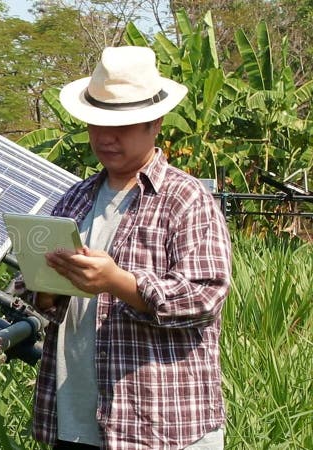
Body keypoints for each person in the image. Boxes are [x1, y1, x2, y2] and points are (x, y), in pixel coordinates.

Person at [14, 46, 232, 449]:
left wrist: (118, 282)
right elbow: (38, 298)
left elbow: (205, 297)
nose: (105, 138)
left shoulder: (185, 199)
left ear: (156, 123)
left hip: (160, 424)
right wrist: (46, 287)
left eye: (123, 126)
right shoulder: (75, 199)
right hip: (75, 416)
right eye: (97, 125)